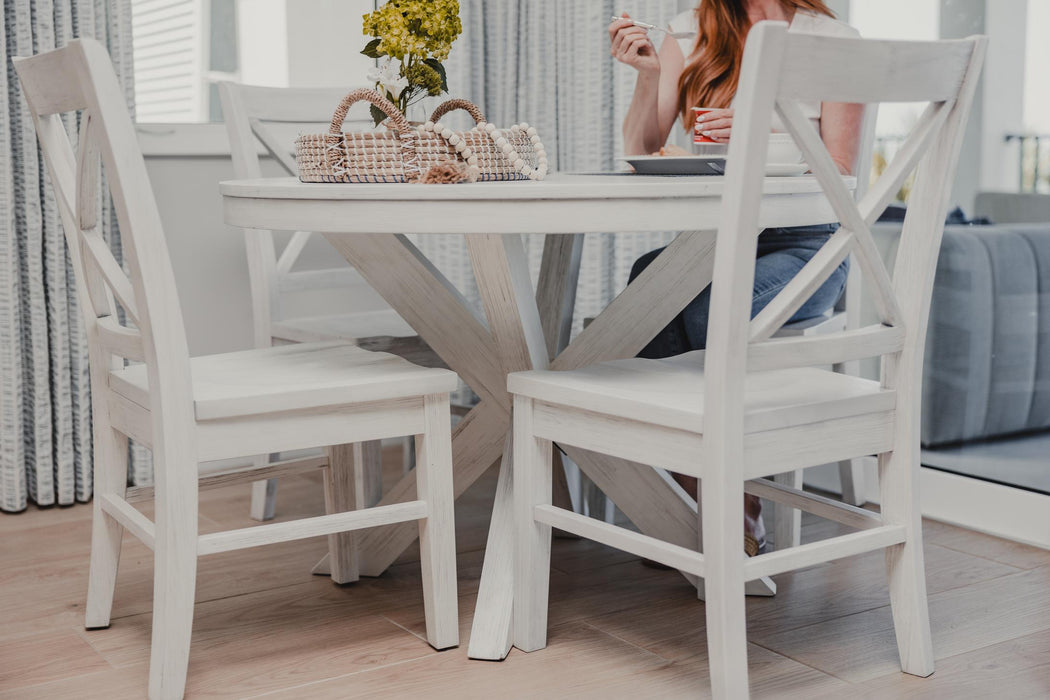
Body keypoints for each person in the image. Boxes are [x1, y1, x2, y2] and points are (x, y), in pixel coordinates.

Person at [609, 0, 863, 555]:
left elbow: (842, 168)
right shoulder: (688, 30)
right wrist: (648, 78)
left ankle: (715, 493)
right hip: (713, 243)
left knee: (696, 306)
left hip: (808, 245)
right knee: (648, 281)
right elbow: (641, 151)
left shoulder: (832, 39)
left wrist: (755, 139)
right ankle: (706, 488)